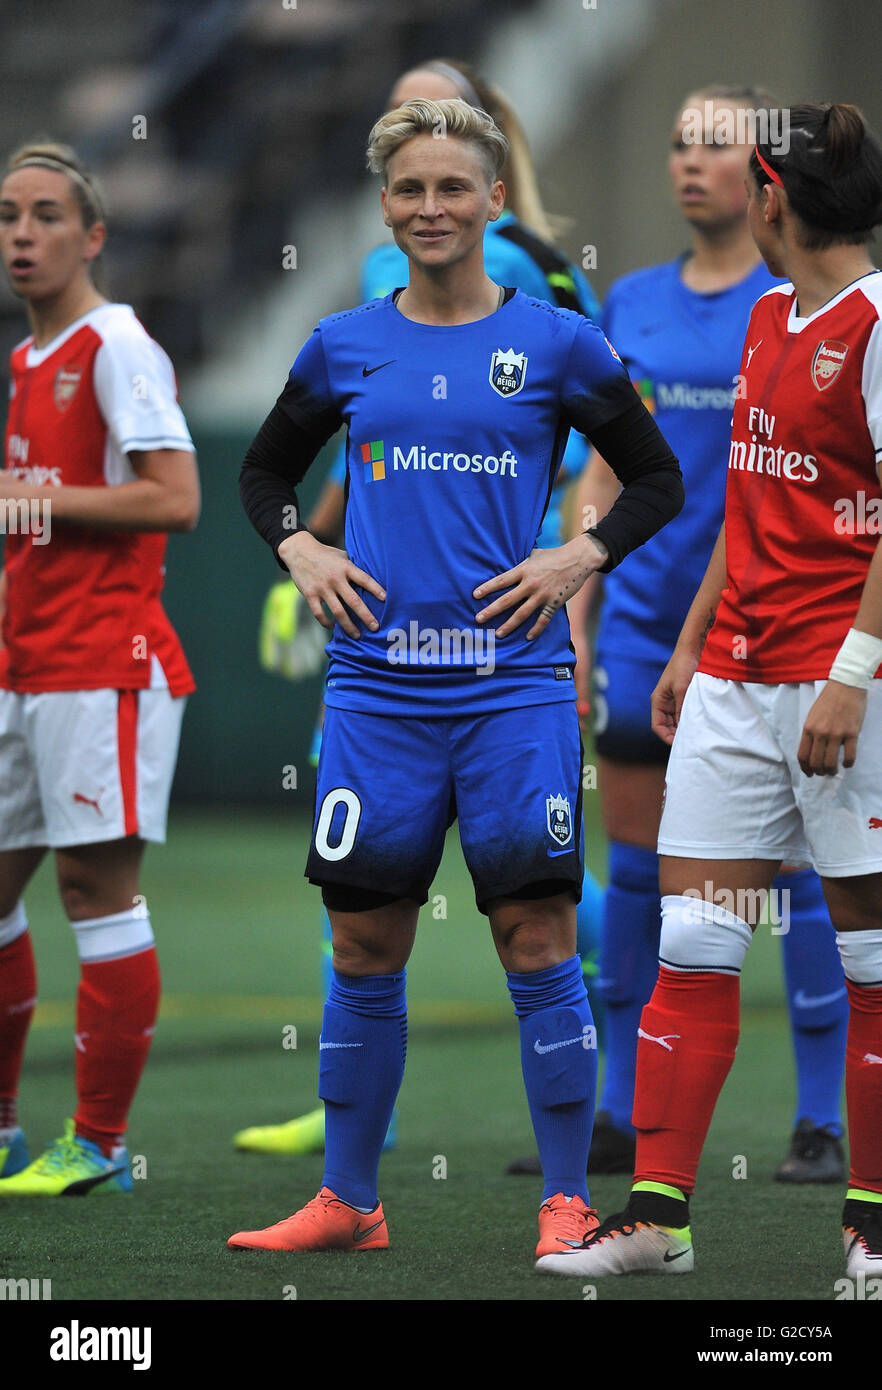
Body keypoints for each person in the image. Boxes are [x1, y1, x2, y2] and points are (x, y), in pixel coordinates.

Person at [230, 97, 682, 1259]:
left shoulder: (559, 341)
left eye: (454, 187)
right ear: (385, 205)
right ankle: (348, 1201)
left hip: (513, 692)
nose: (433, 207)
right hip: (377, 695)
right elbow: (266, 470)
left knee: (536, 938)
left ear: (493, 201)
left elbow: (653, 479)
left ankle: (569, 1199)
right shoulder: (342, 344)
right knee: (363, 945)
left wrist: (579, 553)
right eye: (411, 189)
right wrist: (301, 546)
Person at [536, 101, 882, 1278]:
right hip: (731, 676)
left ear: (774, 195)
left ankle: (868, 1235)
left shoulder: (878, 323)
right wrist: (690, 644)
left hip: (842, 687)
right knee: (695, 937)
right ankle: (658, 1222)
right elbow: (749, 500)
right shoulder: (771, 317)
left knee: (869, 956)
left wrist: (850, 674)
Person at [0, 142, 199, 1194]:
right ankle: (4, 1129)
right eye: (8, 216)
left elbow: (175, 498)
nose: (22, 235)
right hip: (23, 664)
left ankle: (101, 1145)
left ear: (93, 235)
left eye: (44, 215)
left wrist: (25, 501)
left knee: (97, 890)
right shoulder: (29, 359)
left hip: (104, 664)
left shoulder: (116, 343)